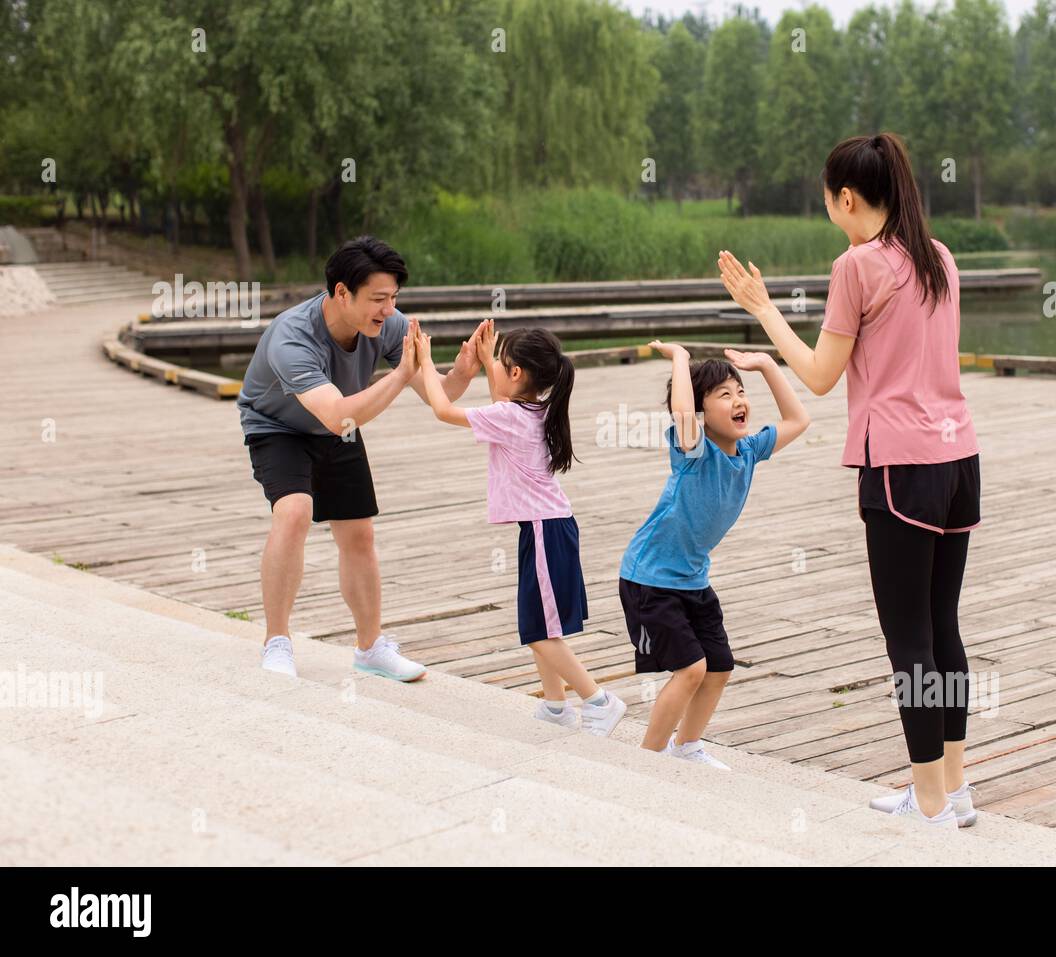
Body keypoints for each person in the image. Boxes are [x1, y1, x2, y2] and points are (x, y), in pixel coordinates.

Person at [717, 132, 981, 829]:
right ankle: (952, 786)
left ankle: (928, 803)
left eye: (827, 195)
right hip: (959, 462)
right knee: (942, 624)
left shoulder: (857, 266)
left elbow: (821, 376)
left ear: (847, 198)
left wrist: (763, 308)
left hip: (899, 467)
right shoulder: (940, 258)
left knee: (909, 638)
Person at [238, 235, 486, 681]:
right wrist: (403, 374)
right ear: (340, 293)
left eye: (393, 298)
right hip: (280, 427)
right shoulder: (291, 338)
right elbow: (335, 415)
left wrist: (463, 374)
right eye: (377, 299)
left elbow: (439, 396)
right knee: (294, 511)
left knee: (359, 535)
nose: (387, 310)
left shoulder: (389, 324)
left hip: (342, 424)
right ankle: (276, 641)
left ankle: (370, 648)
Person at [412, 319, 627, 735]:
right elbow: (500, 396)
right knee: (539, 624)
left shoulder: (512, 416)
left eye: (504, 366)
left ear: (517, 374)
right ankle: (555, 707)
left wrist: (424, 360)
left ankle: (599, 701)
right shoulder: (536, 409)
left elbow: (442, 410)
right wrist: (493, 356)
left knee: (539, 632)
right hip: (547, 529)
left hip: (546, 531)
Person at [618, 341, 809, 768]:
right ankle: (647, 759)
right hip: (650, 579)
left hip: (693, 580)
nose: (739, 400)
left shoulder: (749, 451)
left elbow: (799, 418)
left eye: (740, 392)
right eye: (724, 394)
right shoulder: (695, 452)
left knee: (719, 666)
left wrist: (766, 366)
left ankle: (686, 748)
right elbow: (683, 414)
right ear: (703, 411)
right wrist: (681, 359)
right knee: (690, 669)